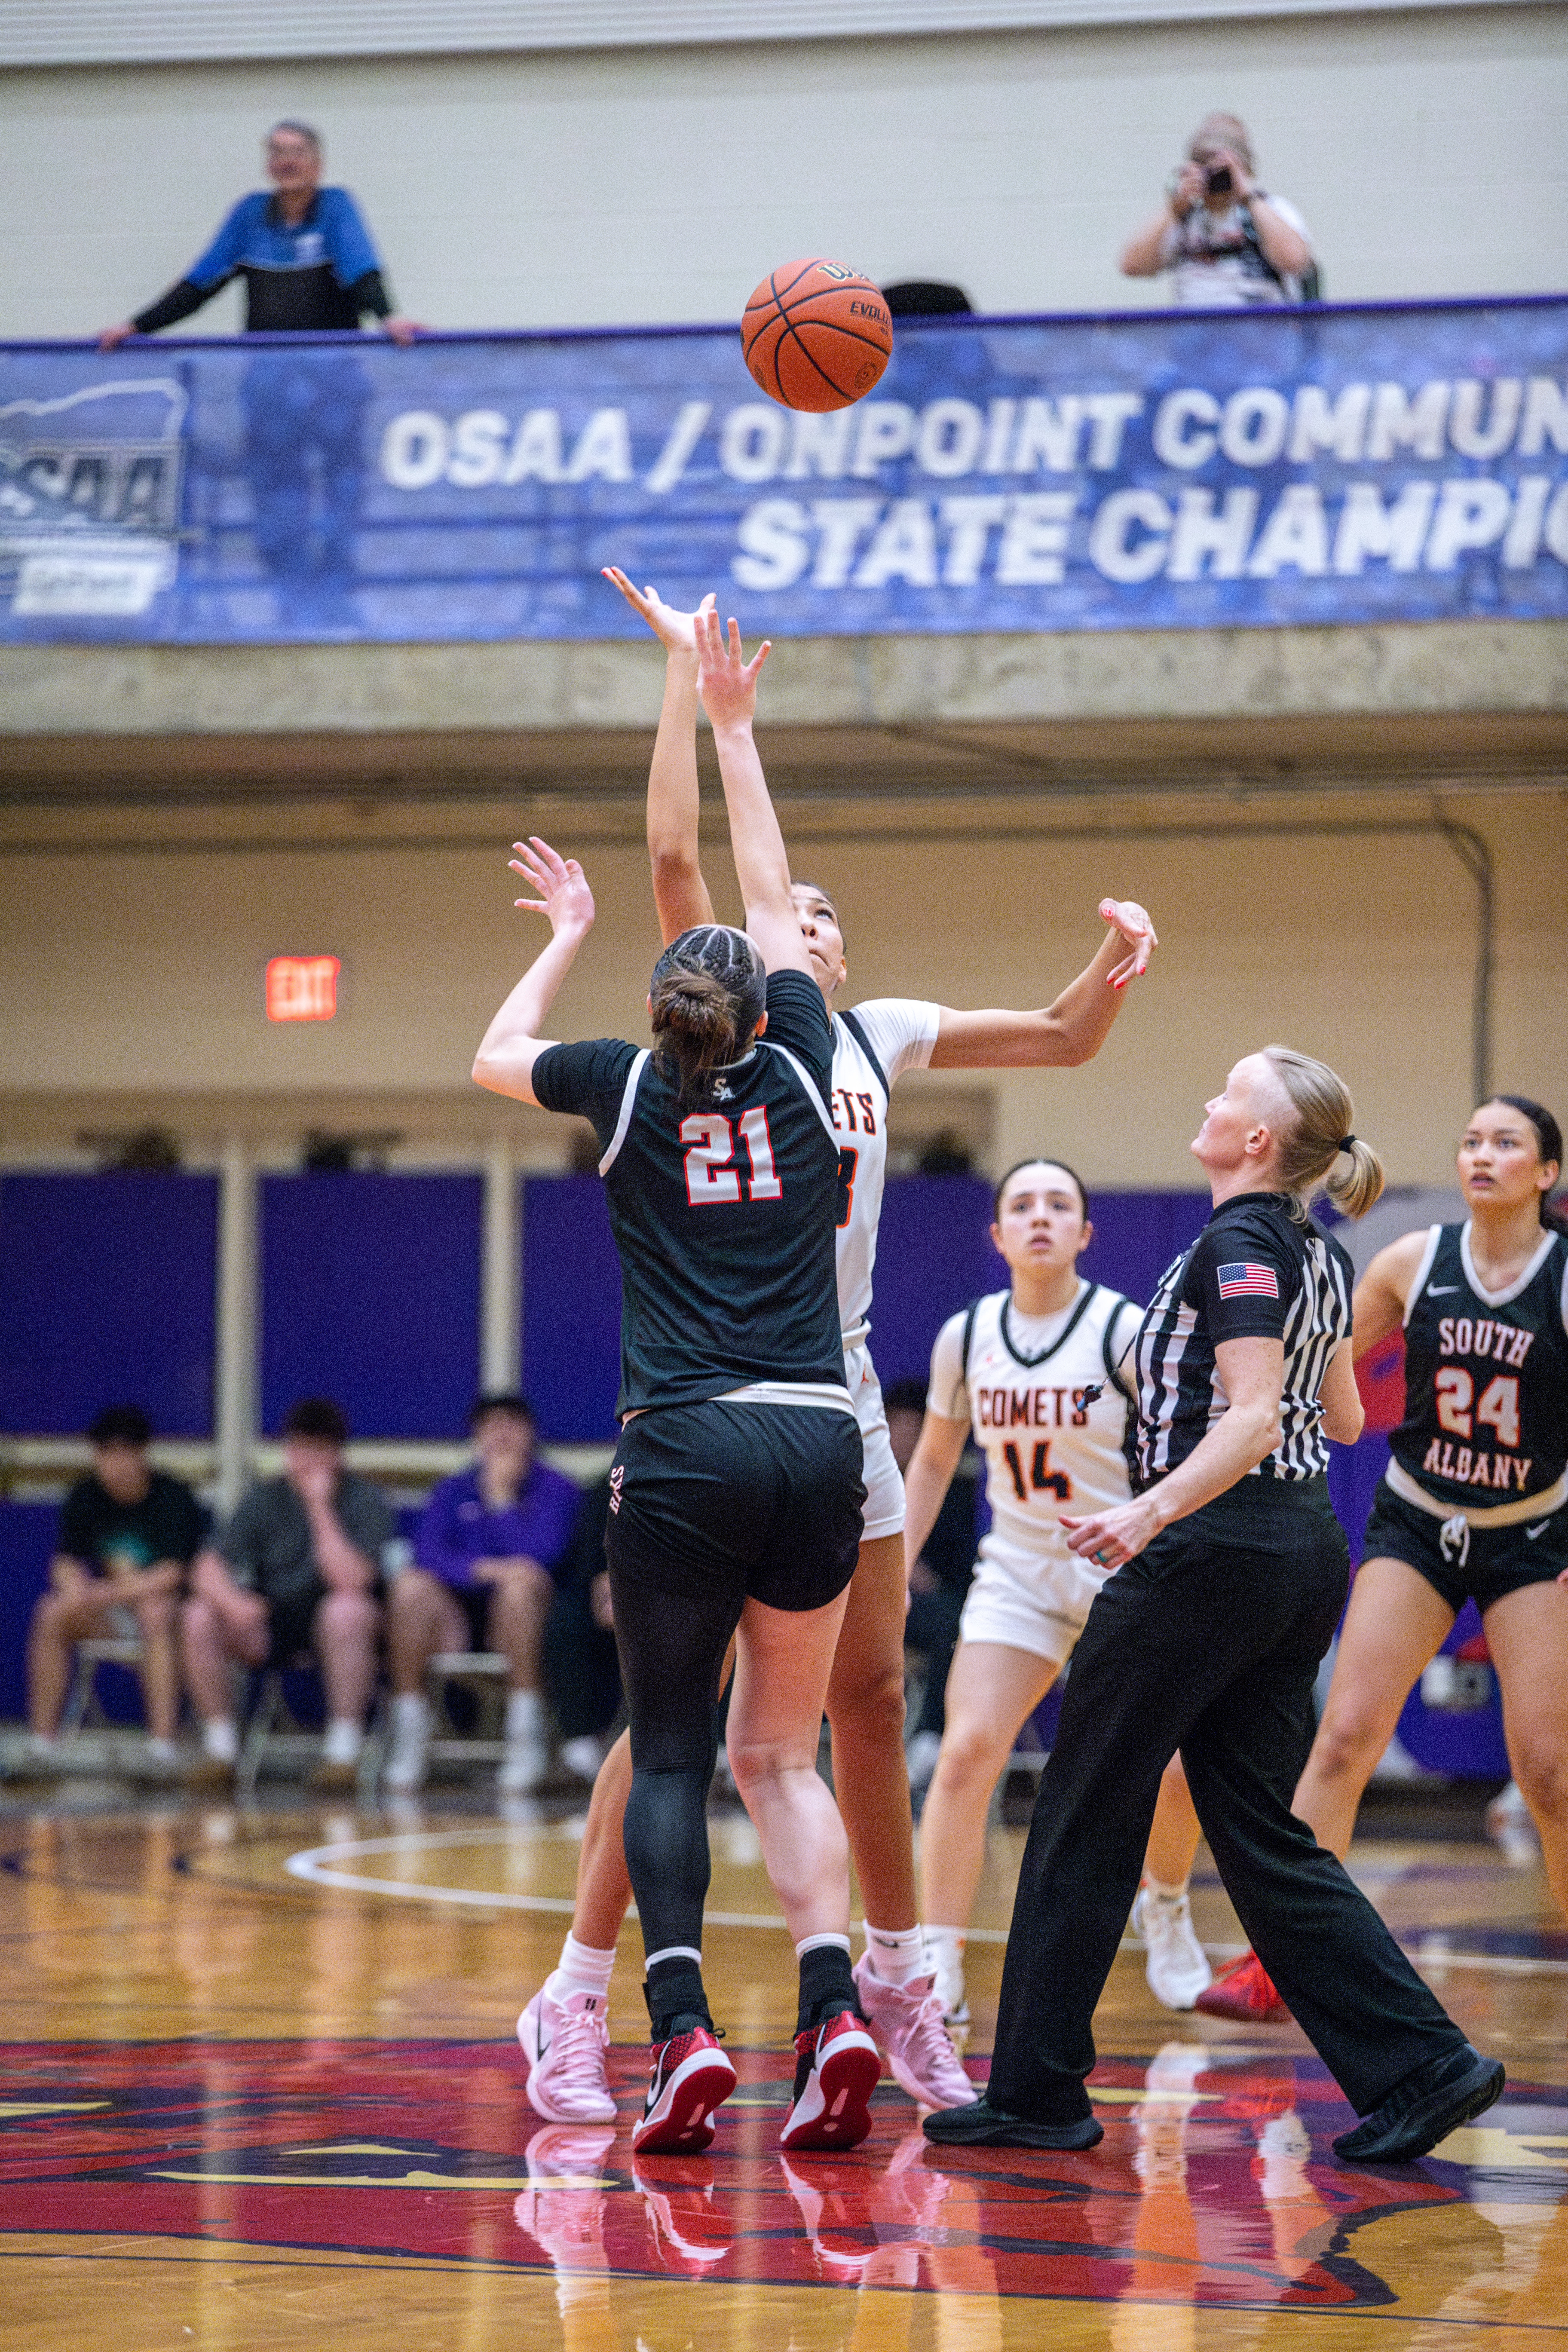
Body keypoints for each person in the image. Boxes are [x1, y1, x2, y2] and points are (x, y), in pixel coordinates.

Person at [511, 569, 1158, 2133]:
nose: (793, 914)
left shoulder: (868, 1031)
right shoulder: (733, 1030)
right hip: (745, 1396)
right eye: (776, 907)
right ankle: (580, 1987)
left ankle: (890, 1983)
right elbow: (683, 852)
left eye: (811, 913)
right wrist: (687, 685)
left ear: (832, 952)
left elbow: (1065, 1040)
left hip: (839, 1396)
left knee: (859, 1706)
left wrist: (1108, 963)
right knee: (681, 1725)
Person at [926, 1047, 1506, 2164]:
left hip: (1212, 1549)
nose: (1207, 1098)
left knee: (1085, 1803)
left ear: (1255, 1143)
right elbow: (1336, 1420)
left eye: (1229, 1093)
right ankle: (1425, 2064)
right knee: (1260, 1832)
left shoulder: (1242, 1241)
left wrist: (1151, 1511)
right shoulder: (1316, 1252)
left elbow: (1249, 1419)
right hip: (1299, 1555)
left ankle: (1038, 2090)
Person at [474, 609, 888, 2159]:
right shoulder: (808, 1059)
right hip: (817, 1439)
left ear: (659, 1000)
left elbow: (503, 1037)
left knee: (672, 1753)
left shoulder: (616, 1077)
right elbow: (743, 876)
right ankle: (835, 2003)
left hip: (686, 1445)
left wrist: (565, 920)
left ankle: (684, 2031)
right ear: (765, 993)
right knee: (786, 1756)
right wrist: (731, 716)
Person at [1200, 1093, 1568, 2023]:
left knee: (1552, 1773)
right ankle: (1273, 1961)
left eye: (1507, 1143)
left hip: (1531, 1530)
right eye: (1471, 1138)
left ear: (1547, 1173)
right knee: (1345, 1737)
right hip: (1420, 1518)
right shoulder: (1413, 1261)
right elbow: (1316, 1356)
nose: (1483, 1154)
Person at [902, 1158, 1210, 2025]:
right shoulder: (966, 1337)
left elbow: (1179, 1455)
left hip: (1125, 1569)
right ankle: (940, 1959)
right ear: (998, 1236)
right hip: (1022, 1573)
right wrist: (889, 1577)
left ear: (1086, 1233)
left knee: (1181, 1764)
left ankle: (1169, 1906)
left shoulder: (1121, 1330)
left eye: (1060, 1205)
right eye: (1023, 1205)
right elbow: (932, 1461)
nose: (1041, 1217)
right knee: (965, 1755)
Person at [182, 1396, 394, 1791]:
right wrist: (233, 1603)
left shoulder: (365, 1500)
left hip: (343, 1625)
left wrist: (319, 1507)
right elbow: (208, 1565)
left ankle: (344, 1752)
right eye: (298, 1448)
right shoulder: (265, 1498)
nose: (305, 1461)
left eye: (317, 1450)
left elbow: (351, 1579)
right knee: (198, 1615)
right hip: (273, 1617)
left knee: (346, 1611)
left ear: (337, 1454)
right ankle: (221, 1748)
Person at [384, 1394, 583, 1796]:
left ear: (531, 1434)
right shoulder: (453, 1490)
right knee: (410, 1587)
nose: (501, 1434)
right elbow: (427, 1553)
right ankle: (411, 1729)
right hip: (458, 1618)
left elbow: (545, 1555)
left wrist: (502, 1501)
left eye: (512, 1423)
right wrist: (487, 1570)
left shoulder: (558, 1490)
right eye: (490, 1425)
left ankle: (526, 1734)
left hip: (533, 1623)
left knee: (519, 1589)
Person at [98, 121, 416, 346]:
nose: (287, 162)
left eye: (297, 153)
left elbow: (361, 269)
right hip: (266, 375)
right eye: (278, 153)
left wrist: (389, 317)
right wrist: (135, 328)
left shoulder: (336, 206)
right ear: (269, 165)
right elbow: (198, 285)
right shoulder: (249, 214)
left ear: (318, 165)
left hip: (335, 372)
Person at [20, 1405, 206, 1779]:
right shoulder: (85, 1496)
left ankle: (162, 1747)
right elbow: (66, 1560)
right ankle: (42, 1744)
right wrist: (74, 1589)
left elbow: (173, 1573)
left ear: (143, 1455)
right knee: (52, 1611)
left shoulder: (172, 1496)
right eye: (107, 1454)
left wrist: (106, 1593)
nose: (117, 1464)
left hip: (169, 1617)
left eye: (126, 1453)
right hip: (111, 1613)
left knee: (155, 1609)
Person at [1119, 112, 1315, 307]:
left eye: (1224, 166)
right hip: (1194, 332)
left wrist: (1248, 198)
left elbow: (1297, 263)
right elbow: (1132, 266)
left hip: (1260, 332)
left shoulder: (1271, 209)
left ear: (1244, 168)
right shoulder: (1183, 217)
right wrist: (1172, 210)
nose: (1214, 173)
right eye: (1205, 163)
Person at [886, 1375, 975, 1793]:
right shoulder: (865, 1478)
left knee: (954, 1622)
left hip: (926, 1604)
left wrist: (917, 1568)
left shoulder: (953, 1490)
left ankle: (929, 1740)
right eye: (896, 1426)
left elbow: (955, 1568)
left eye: (913, 1428)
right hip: (871, 1596)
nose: (904, 1437)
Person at [541, 1472, 623, 1784]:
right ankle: (580, 1747)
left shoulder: (711, 1476)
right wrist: (607, 1585)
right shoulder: (611, 1484)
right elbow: (593, 1558)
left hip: (688, 1593)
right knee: (569, 1618)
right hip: (622, 1593)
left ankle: (724, 1753)